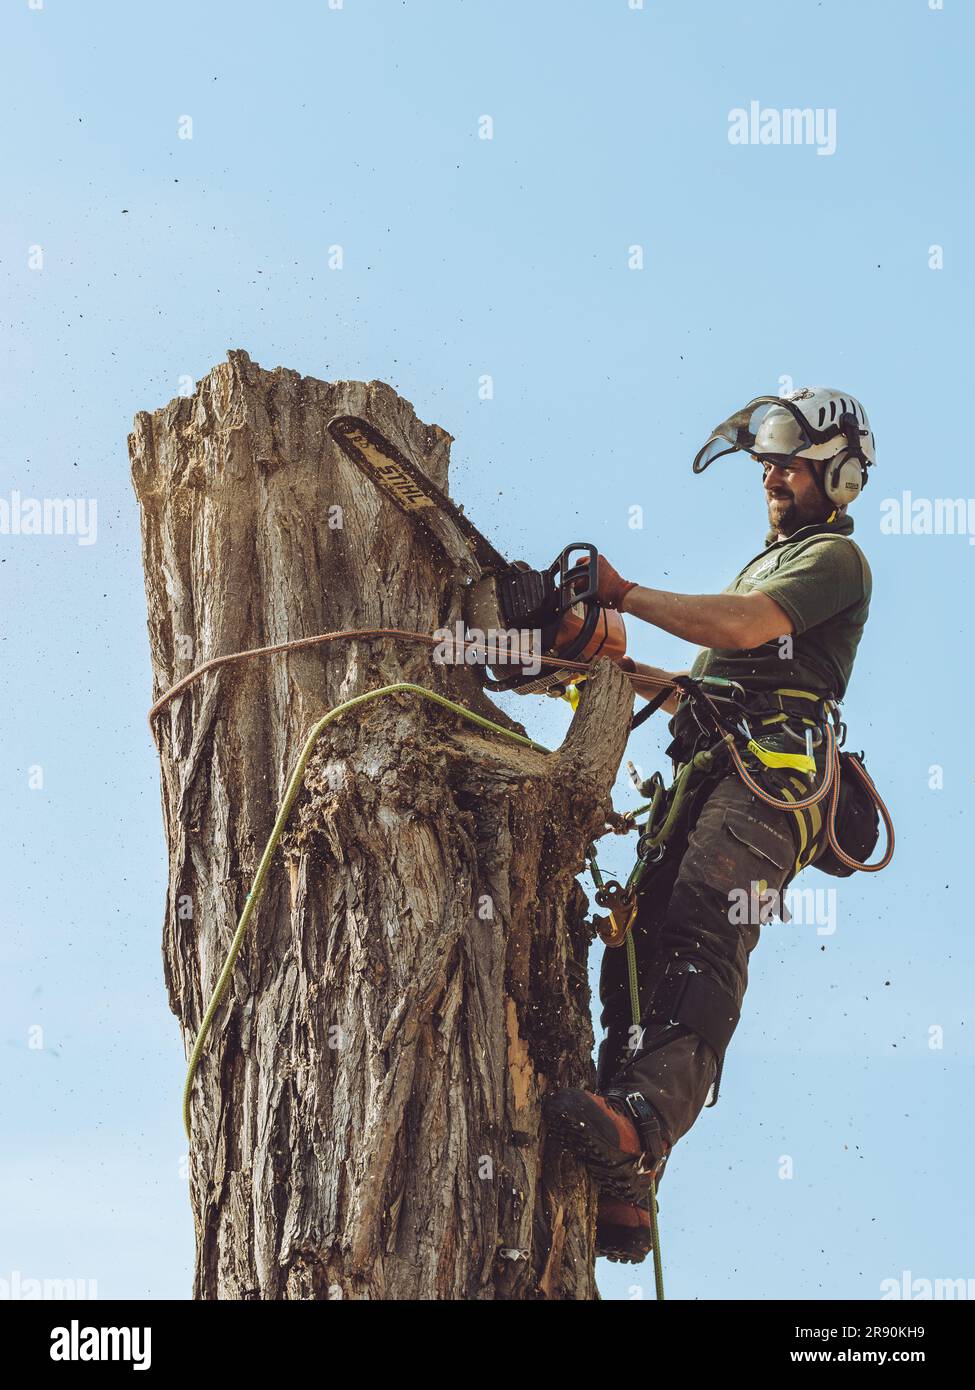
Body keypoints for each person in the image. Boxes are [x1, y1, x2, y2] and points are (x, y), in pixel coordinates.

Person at [544, 387, 876, 1263]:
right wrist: (590, 650)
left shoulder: (832, 562)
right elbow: (699, 689)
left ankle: (644, 1120)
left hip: (769, 779)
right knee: (635, 955)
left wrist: (625, 594)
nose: (770, 474)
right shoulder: (759, 567)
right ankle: (628, 1168)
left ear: (837, 473)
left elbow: (741, 630)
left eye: (789, 461)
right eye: (765, 461)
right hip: (708, 769)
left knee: (700, 928)